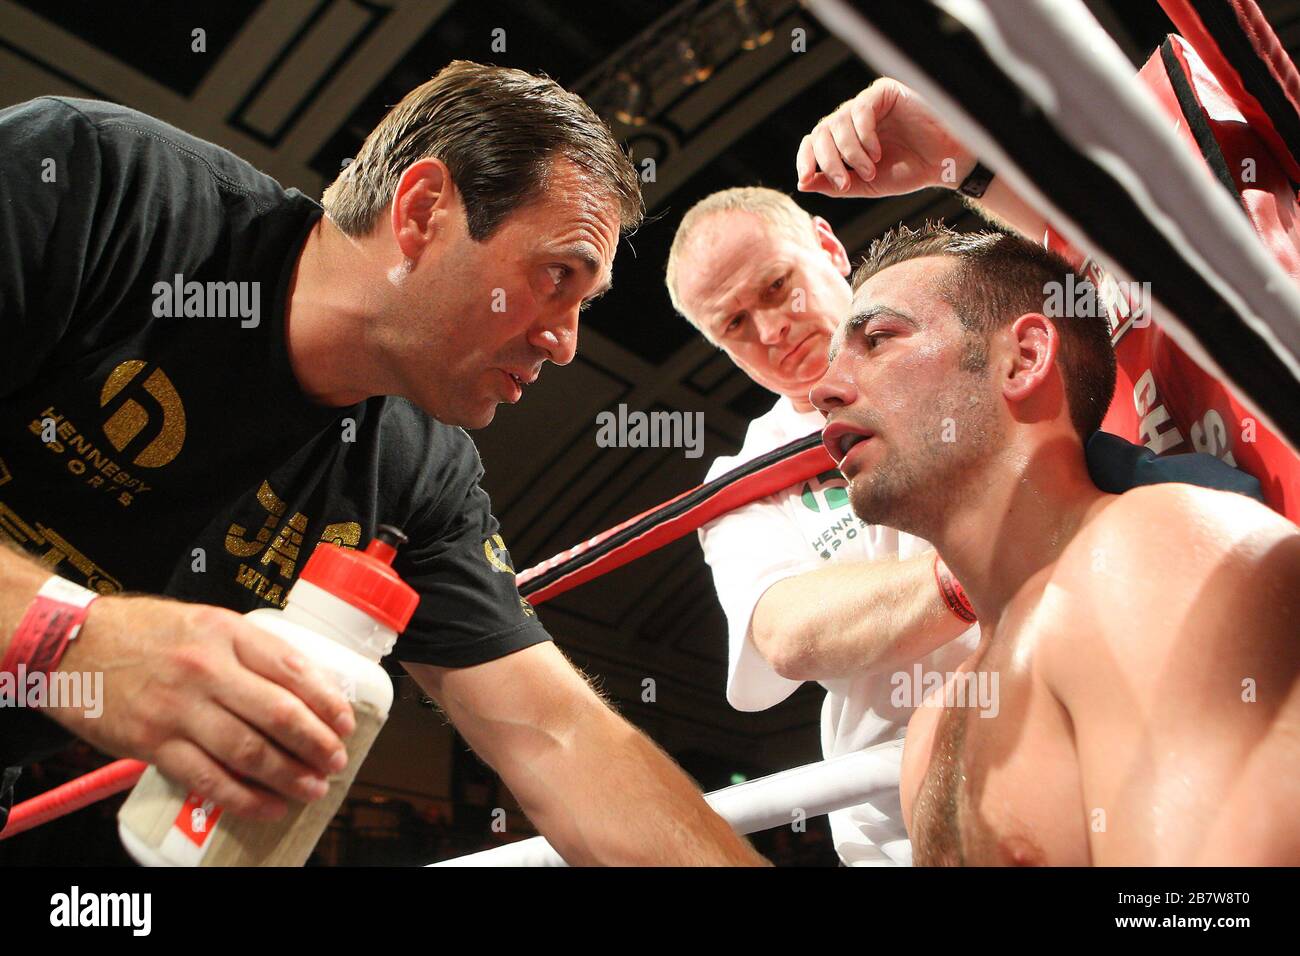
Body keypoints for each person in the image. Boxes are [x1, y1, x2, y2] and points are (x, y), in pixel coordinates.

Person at [0, 60, 764, 865]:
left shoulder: (418, 480)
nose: (566, 341)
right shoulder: (101, 187)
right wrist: (76, 640)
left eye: (585, 302)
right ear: (425, 209)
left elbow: (560, 738)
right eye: (556, 277)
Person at [811, 222, 1300, 865]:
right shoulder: (934, 726)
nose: (822, 391)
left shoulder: (1151, 552)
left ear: (1024, 359)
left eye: (878, 340)